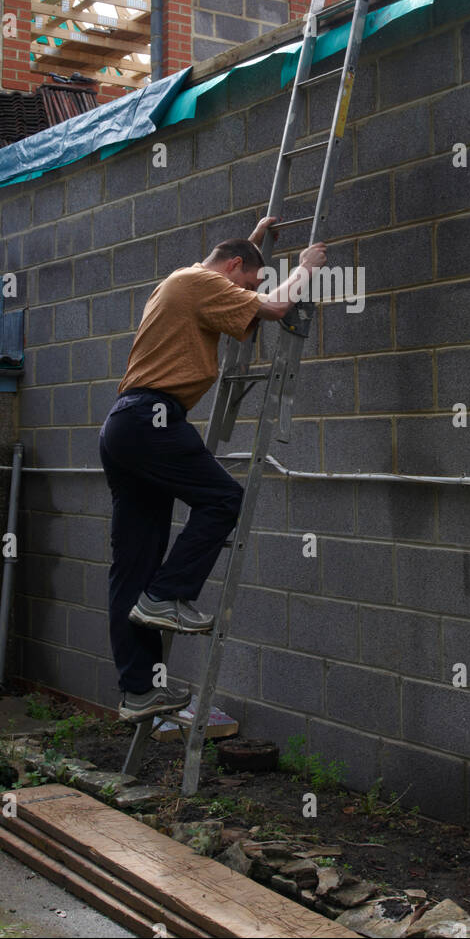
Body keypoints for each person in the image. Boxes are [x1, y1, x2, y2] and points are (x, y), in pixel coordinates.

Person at [98, 215, 327, 721]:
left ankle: (140, 690)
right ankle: (168, 595)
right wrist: (306, 267)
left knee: (132, 567)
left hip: (126, 427)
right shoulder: (199, 281)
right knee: (224, 499)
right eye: (245, 281)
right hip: (152, 419)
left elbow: (231, 274)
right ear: (233, 267)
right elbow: (274, 306)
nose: (244, 293)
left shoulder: (184, 280)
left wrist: (256, 237)